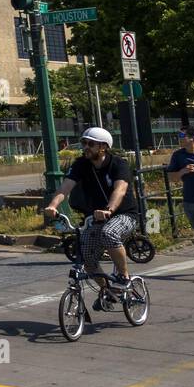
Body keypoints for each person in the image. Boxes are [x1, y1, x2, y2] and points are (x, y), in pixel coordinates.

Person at [43, 127, 136, 305]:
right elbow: (65, 187)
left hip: (124, 214)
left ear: (103, 147)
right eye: (84, 143)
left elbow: (120, 190)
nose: (85, 147)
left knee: (109, 233)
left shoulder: (118, 164)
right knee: (85, 253)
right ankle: (106, 290)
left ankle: (124, 277)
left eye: (90, 144)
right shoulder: (81, 164)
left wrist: (109, 209)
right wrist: (52, 205)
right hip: (94, 217)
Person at [166, 127, 194, 279]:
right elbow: (171, 178)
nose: (179, 138)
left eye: (182, 135)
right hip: (189, 200)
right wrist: (182, 171)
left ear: (193, 138)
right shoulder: (178, 155)